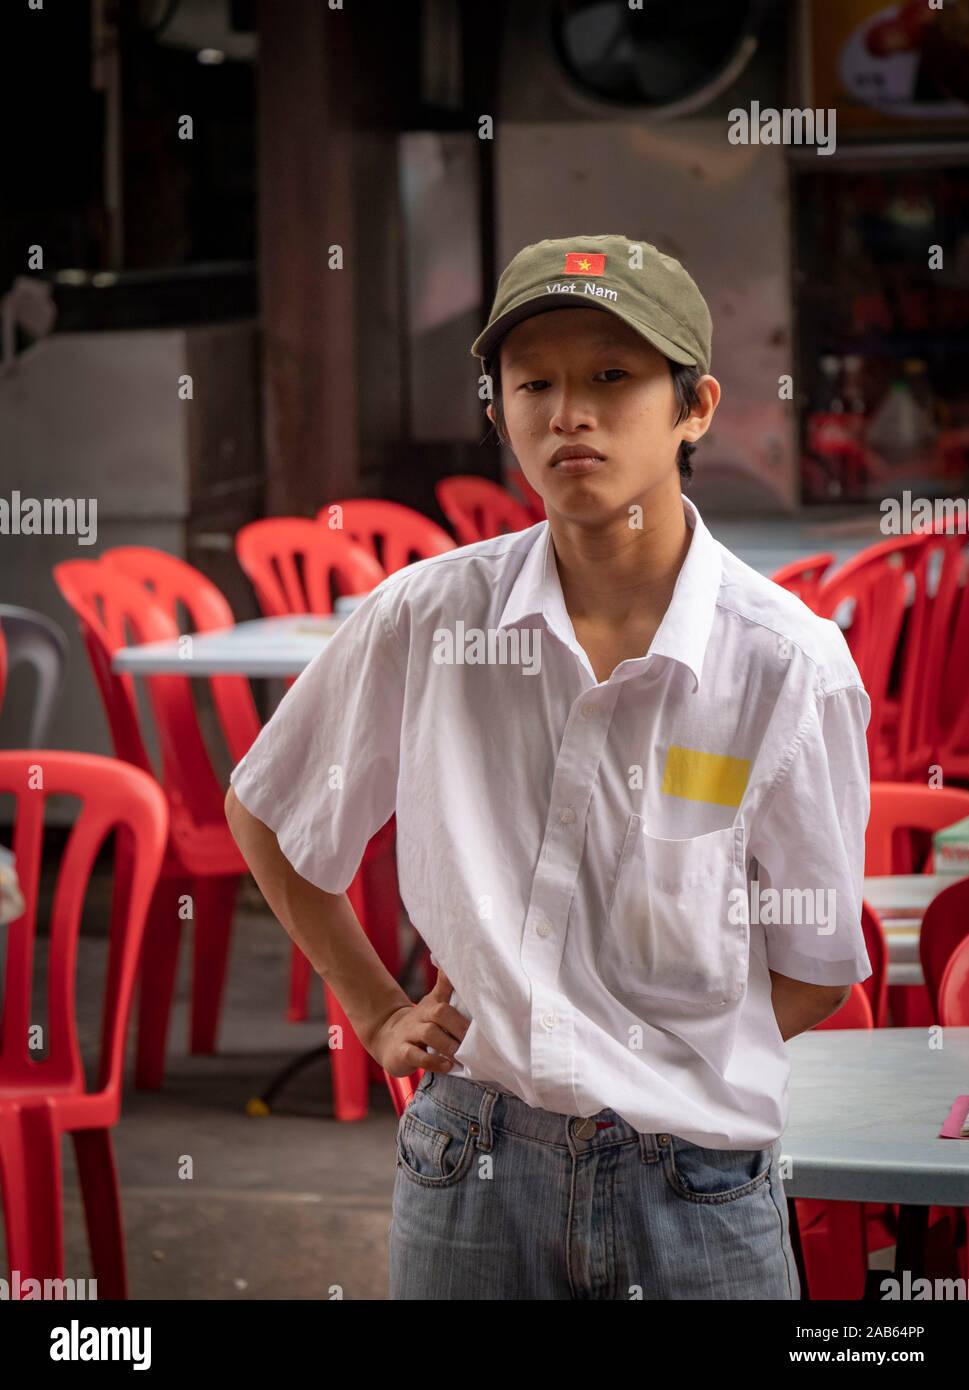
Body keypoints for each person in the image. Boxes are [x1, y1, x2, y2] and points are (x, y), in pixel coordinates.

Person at [225, 234, 873, 1301]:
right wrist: (376, 1007)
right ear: (500, 415)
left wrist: (641, 1044)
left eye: (611, 378)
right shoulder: (427, 619)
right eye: (533, 383)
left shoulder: (782, 664)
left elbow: (811, 965)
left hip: (696, 1187)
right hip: (470, 1169)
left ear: (694, 407)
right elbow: (271, 810)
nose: (568, 411)